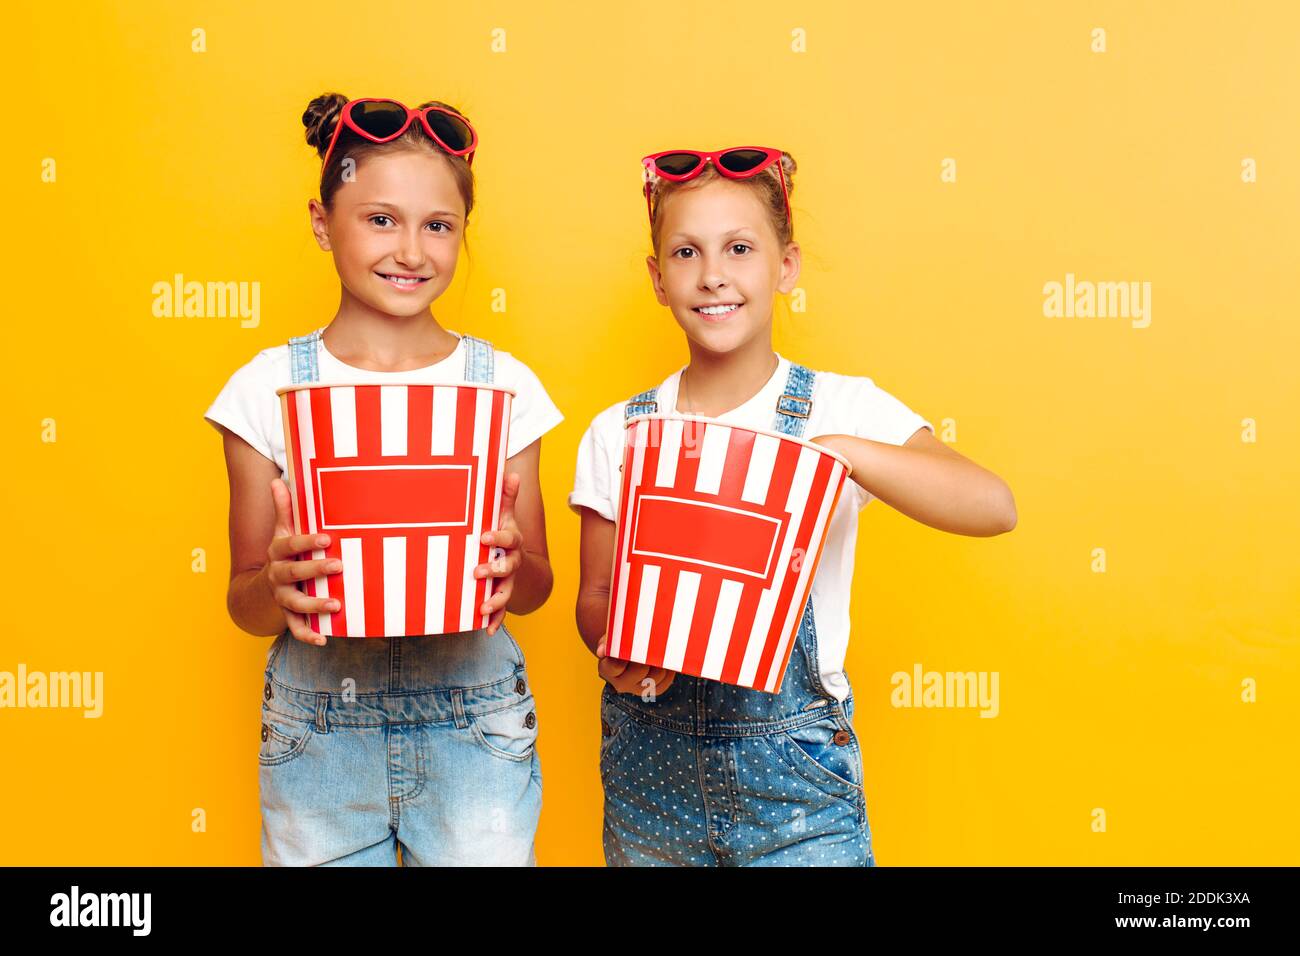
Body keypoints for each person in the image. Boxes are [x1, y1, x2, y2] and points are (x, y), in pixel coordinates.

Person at [570, 146, 1017, 865]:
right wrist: (616, 651)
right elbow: (596, 596)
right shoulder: (617, 432)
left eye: (739, 248)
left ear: (786, 266)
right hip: (651, 784)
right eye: (686, 252)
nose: (713, 274)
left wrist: (846, 454)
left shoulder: (841, 408)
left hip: (798, 784)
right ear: (657, 278)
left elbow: (993, 505)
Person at [204, 94, 562, 866]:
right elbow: (244, 601)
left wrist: (510, 568)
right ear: (322, 221)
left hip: (477, 727)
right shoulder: (263, 390)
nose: (411, 250)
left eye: (438, 226)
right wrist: (281, 580)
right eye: (379, 219)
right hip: (317, 735)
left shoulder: (504, 387)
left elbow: (536, 584)